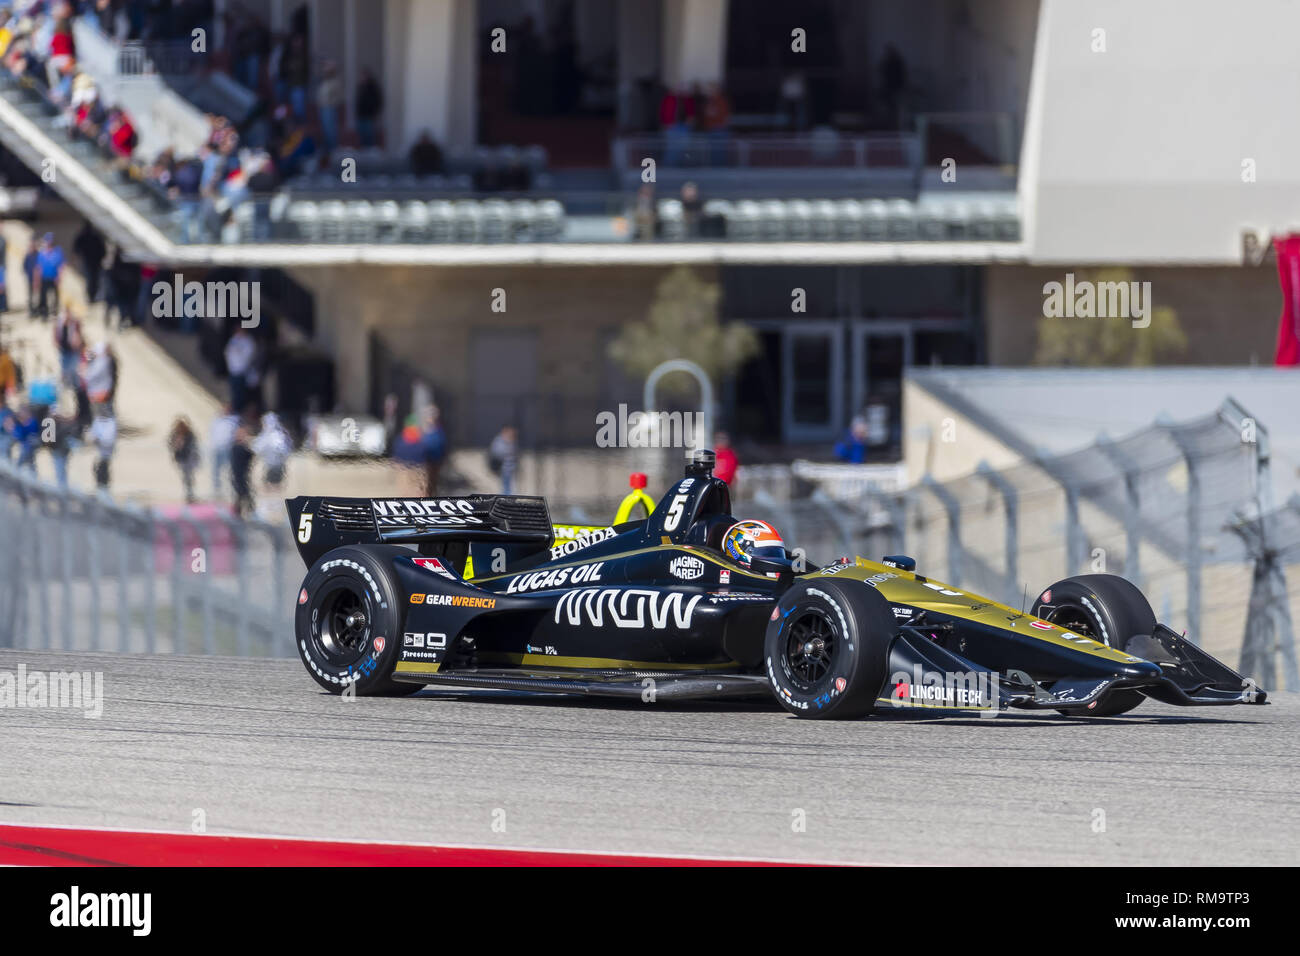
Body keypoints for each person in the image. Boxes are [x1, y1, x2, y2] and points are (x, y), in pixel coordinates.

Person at [252, 411, 292, 491]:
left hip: (276, 466)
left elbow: (283, 449)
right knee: (271, 486)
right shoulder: (267, 435)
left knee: (276, 486)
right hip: (269, 465)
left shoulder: (277, 435)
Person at [224, 328, 258, 415]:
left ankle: (239, 410)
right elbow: (227, 352)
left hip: (242, 372)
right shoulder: (234, 339)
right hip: (233, 371)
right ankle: (235, 409)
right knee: (234, 391)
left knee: (240, 394)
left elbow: (248, 357)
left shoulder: (249, 342)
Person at [168, 416, 200, 504]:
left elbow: (194, 446)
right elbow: (170, 444)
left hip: (189, 458)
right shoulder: (174, 434)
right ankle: (189, 493)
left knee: (188, 476)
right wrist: (176, 445)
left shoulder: (190, 434)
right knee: (186, 477)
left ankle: (190, 494)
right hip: (181, 458)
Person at [209, 403, 239, 498]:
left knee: (230, 470)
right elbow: (213, 433)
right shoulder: (217, 421)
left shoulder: (234, 420)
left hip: (228, 448)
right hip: (217, 447)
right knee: (216, 470)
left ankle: (231, 490)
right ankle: (217, 491)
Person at [34, 232, 64, 320]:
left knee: (55, 297)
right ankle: (44, 313)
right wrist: (37, 280)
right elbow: (38, 267)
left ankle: (54, 312)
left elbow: (61, 266)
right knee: (43, 297)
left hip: (54, 278)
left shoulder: (58, 251)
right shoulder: (42, 253)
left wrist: (59, 277)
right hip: (44, 278)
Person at [229, 422, 256, 517]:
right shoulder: (235, 446)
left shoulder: (244, 447)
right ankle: (241, 509)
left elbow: (251, 457)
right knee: (241, 492)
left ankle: (247, 509)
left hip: (243, 473)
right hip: (236, 473)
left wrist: (247, 444)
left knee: (243, 491)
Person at [316, 60, 343, 152]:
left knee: (331, 130)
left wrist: (331, 103)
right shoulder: (324, 82)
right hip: (323, 108)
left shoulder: (335, 82)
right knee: (325, 130)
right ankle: (328, 150)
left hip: (330, 108)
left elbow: (337, 96)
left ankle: (333, 149)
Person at [53, 309, 83, 387]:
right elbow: (56, 334)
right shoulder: (59, 324)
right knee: (64, 369)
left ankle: (75, 385)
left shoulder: (75, 323)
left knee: (74, 368)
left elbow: (79, 336)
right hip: (63, 349)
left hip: (73, 350)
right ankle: (66, 384)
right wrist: (56, 343)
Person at [89, 409, 117, 494]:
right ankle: (100, 485)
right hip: (99, 450)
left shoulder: (111, 422)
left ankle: (104, 485)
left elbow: (110, 438)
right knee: (97, 467)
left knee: (104, 468)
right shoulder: (97, 421)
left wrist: (101, 441)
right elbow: (93, 435)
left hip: (106, 450)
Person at [355, 68, 383, 147]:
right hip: (361, 115)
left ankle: (371, 150)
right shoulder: (360, 87)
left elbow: (378, 101)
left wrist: (374, 112)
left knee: (370, 135)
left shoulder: (373, 87)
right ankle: (364, 150)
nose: (362, 78)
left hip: (369, 116)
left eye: (364, 76)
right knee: (362, 135)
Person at [487, 424, 518, 495]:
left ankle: (508, 497)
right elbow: (497, 453)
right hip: (503, 468)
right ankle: (505, 497)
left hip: (511, 468)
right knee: (505, 485)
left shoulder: (512, 442)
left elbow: (514, 455)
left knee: (510, 485)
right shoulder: (499, 441)